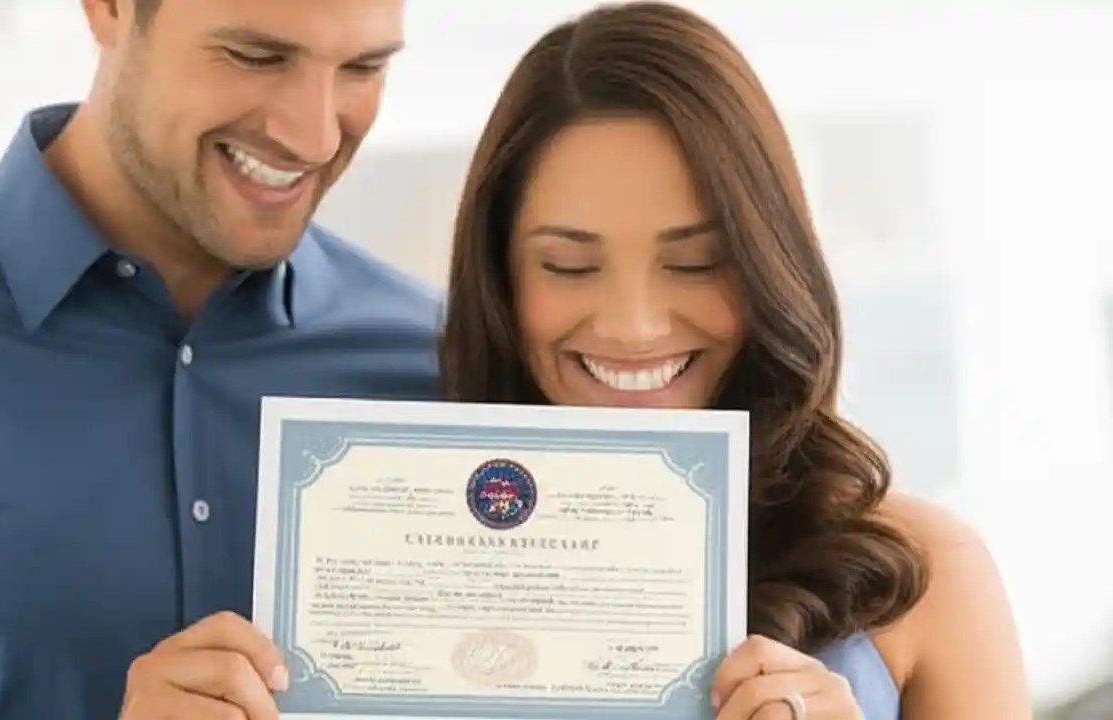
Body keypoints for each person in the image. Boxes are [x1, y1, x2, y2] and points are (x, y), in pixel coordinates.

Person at [0, 0, 441, 718]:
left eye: (363, 67)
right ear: (109, 9)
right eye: (255, 56)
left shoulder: (434, 364)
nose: (312, 134)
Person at [438, 2, 1030, 718]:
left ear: (767, 270)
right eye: (568, 265)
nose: (634, 326)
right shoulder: (404, 561)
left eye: (695, 263)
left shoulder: (926, 574)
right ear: (501, 278)